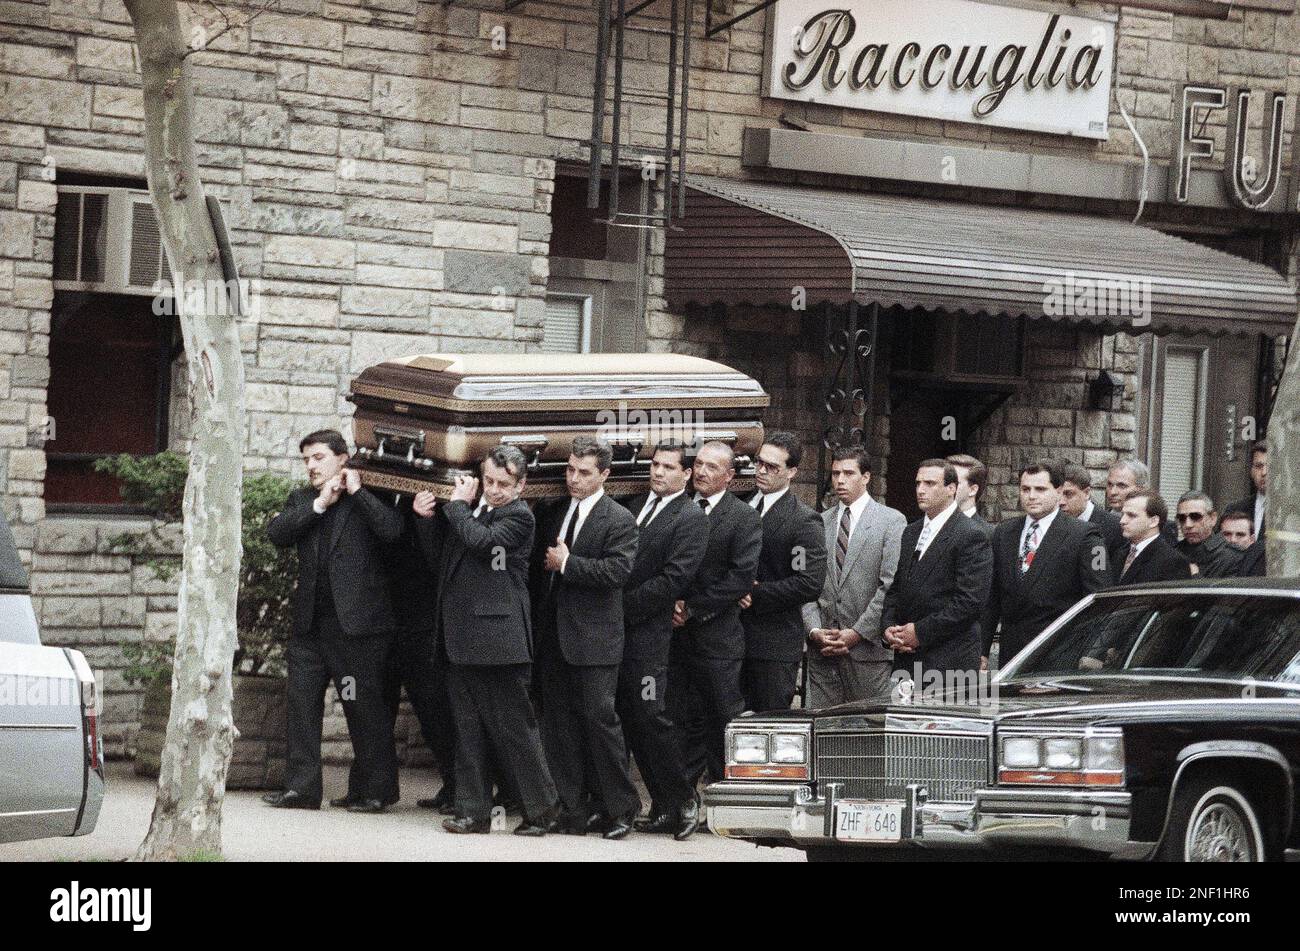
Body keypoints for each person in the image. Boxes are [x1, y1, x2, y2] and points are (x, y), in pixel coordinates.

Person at [263, 429, 403, 813]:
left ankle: (374, 790)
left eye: (319, 457)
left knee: (361, 707)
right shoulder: (303, 500)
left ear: (343, 458)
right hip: (310, 628)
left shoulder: (368, 496)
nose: (310, 466)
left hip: (355, 631)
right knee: (302, 706)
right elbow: (277, 533)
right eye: (306, 459)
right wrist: (320, 505)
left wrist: (357, 494)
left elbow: (393, 533)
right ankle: (301, 789)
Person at [425, 445, 559, 836]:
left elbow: (484, 545)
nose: (495, 490)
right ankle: (473, 811)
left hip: (500, 642)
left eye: (504, 484)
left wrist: (457, 506)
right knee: (467, 730)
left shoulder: (519, 517)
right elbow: (446, 560)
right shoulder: (475, 512)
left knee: (517, 731)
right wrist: (427, 517)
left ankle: (543, 811)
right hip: (463, 637)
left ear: (521, 485)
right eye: (489, 482)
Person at [531, 437, 641, 839]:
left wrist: (568, 563)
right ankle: (574, 808)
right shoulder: (557, 511)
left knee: (601, 723)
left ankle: (622, 809)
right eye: (570, 471)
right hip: (555, 638)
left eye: (584, 473)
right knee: (559, 726)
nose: (573, 479)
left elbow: (617, 573)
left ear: (605, 475)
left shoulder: (618, 519)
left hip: (596, 642)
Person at [620, 441, 709, 840]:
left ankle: (684, 798)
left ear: (686, 474)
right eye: (655, 465)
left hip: (650, 636)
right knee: (632, 719)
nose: (658, 473)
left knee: (651, 715)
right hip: (619, 633)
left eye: (669, 467)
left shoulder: (690, 517)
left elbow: (674, 578)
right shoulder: (636, 505)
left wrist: (621, 607)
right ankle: (664, 805)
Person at [668, 440, 762, 787]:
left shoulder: (743, 517)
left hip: (717, 639)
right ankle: (681, 800)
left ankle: (726, 796)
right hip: (675, 637)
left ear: (730, 476)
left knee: (722, 718)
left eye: (712, 467)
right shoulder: (677, 509)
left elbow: (739, 579)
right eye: (700, 465)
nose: (702, 472)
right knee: (679, 718)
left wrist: (691, 609)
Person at [800, 445, 906, 707]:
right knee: (823, 732)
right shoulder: (819, 522)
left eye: (848, 473)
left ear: (866, 477)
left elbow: (889, 586)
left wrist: (857, 632)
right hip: (823, 651)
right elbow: (806, 584)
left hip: (867, 654)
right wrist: (814, 630)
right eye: (836, 474)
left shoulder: (891, 522)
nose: (840, 481)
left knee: (866, 732)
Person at [983, 459, 1109, 668]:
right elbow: (992, 597)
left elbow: (1100, 597)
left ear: (1059, 492)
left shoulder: (1087, 535)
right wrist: (982, 649)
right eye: (1025, 489)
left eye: (1040, 489)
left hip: (1059, 654)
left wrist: (1096, 650)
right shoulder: (1004, 533)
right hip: (1011, 656)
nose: (1031, 496)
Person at [882, 460, 992, 694]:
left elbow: (969, 602)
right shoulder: (911, 531)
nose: (921, 489)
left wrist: (919, 633)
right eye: (918, 483)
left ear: (951, 488)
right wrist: (889, 628)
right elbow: (898, 587)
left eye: (930, 483)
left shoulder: (971, 534)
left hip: (949, 661)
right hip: (907, 658)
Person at [739, 431, 828, 713]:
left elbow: (808, 582)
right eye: (759, 463)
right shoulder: (741, 506)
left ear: (792, 472)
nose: (762, 471)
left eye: (772, 467)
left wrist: (754, 593)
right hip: (730, 639)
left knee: (766, 724)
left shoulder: (803, 521)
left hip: (772, 645)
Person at [379, 497, 457, 814]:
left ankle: (457, 785)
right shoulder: (380, 495)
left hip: (424, 620)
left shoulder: (436, 506)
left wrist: (424, 519)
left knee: (434, 709)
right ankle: (448, 784)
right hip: (388, 616)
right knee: (408, 711)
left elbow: (439, 562)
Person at [1114, 492, 1192, 584]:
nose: (1122, 521)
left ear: (1153, 521)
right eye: (1122, 514)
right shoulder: (1120, 553)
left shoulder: (1172, 561)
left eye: (1131, 515)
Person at [1060, 462, 1122, 560]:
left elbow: (1105, 571)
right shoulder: (1051, 523)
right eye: (1058, 494)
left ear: (1087, 493)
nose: (1061, 502)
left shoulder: (1114, 528)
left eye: (1068, 494)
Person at [1174, 491, 1243, 578]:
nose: (1188, 524)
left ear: (1212, 518)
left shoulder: (1233, 557)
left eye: (1196, 516)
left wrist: (1195, 576)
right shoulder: (1173, 553)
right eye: (1182, 518)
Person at [1106, 458, 1177, 543]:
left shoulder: (1161, 527)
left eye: (1122, 486)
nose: (1112, 492)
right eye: (1109, 484)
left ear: (1141, 489)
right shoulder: (1100, 519)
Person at [1225, 441, 1268, 538]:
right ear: (1251, 471)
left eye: (1270, 466)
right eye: (1258, 466)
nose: (1264, 472)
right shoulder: (1234, 510)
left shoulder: (1292, 511)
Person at [945, 453, 994, 538]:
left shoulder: (988, 534)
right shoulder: (927, 527)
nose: (946, 487)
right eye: (945, 481)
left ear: (973, 490)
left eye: (955, 482)